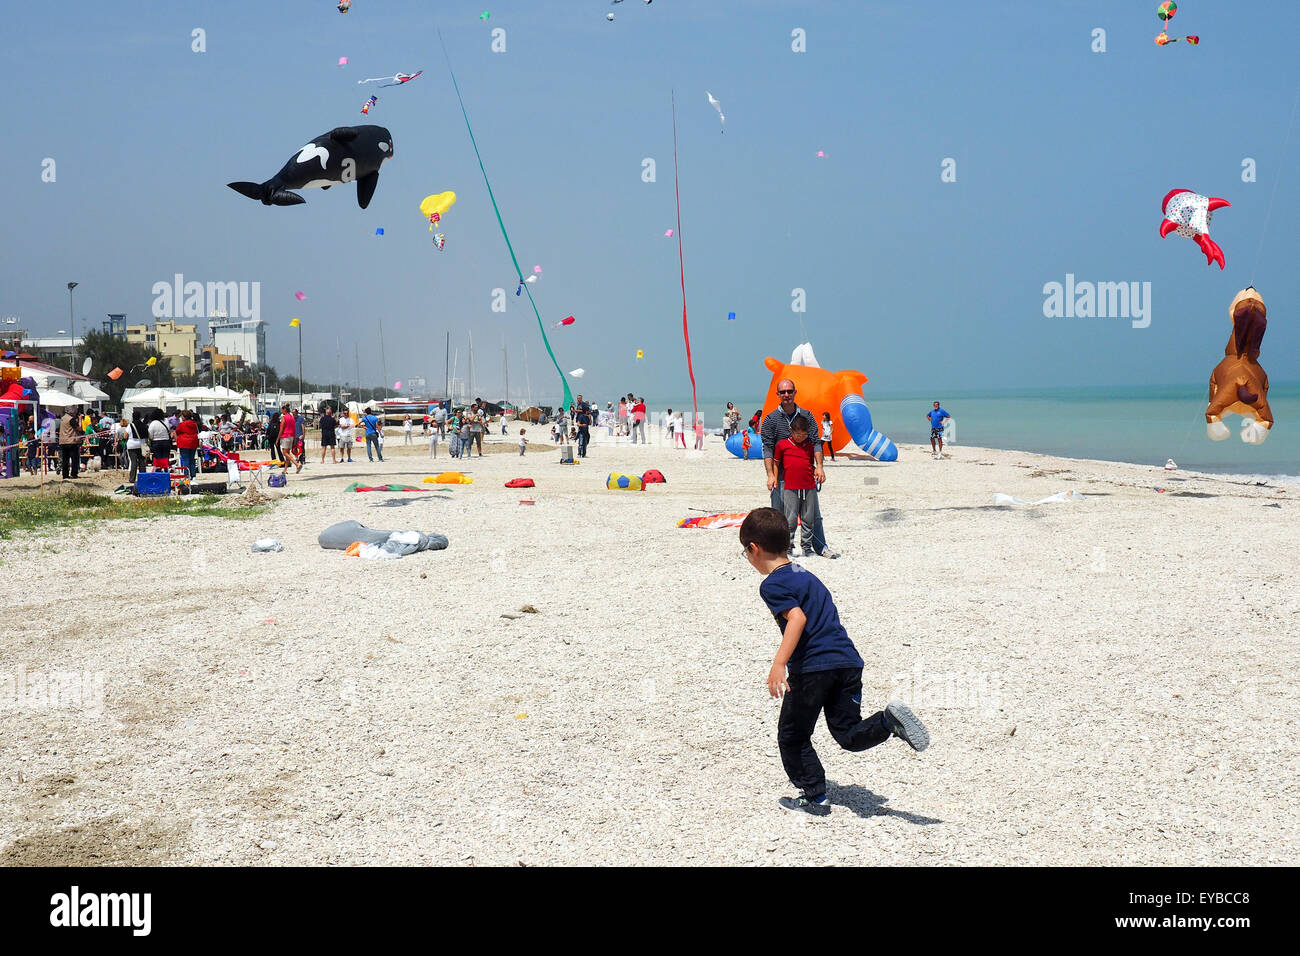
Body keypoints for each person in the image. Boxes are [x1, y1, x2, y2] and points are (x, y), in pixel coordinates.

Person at [739, 507, 930, 816]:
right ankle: (887, 721)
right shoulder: (805, 574)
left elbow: (797, 620)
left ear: (754, 549)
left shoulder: (771, 584)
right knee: (847, 733)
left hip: (814, 669)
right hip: (847, 662)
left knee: (793, 735)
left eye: (745, 553)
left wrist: (779, 664)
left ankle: (814, 796)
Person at [761, 379, 838, 558]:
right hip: (782, 476)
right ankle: (780, 550)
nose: (786, 395)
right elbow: (768, 448)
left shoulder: (807, 415)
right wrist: (771, 475)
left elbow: (816, 442)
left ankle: (820, 547)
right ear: (778, 395)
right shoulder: (771, 419)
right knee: (780, 515)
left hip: (805, 474)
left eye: (789, 391)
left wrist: (819, 467)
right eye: (783, 392)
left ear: (795, 392)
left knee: (813, 515)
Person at [774, 419, 819, 554]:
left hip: (809, 486)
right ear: (791, 430)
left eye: (804, 435)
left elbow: (810, 463)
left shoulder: (809, 446)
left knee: (808, 518)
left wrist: (816, 470)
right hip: (790, 487)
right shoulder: (782, 445)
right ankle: (788, 547)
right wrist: (774, 479)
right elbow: (776, 463)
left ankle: (807, 547)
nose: (800, 437)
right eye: (798, 434)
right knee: (790, 519)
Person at [58, 408, 82, 480]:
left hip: (63, 441)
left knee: (65, 459)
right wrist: (80, 420)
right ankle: (74, 474)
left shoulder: (62, 418)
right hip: (71, 441)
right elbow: (79, 428)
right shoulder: (71, 419)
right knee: (74, 459)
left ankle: (65, 475)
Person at [175, 410, 200, 478]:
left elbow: (177, 432)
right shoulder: (194, 424)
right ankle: (193, 475)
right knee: (192, 459)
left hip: (184, 442)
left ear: (184, 417)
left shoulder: (182, 424)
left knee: (185, 459)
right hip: (193, 442)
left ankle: (186, 475)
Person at [125, 411, 146, 482]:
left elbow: (125, 435)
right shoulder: (143, 425)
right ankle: (143, 478)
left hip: (131, 445)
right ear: (140, 417)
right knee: (142, 462)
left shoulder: (130, 425)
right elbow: (147, 436)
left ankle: (132, 479)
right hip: (141, 445)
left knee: (133, 462)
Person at [279, 405, 300, 472]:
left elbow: (281, 429)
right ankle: (285, 469)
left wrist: (277, 439)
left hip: (285, 436)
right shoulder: (292, 418)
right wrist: (294, 438)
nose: (281, 411)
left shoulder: (284, 418)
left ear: (284, 410)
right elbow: (294, 429)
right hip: (291, 436)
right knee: (287, 453)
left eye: (282, 410)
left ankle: (297, 464)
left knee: (285, 453)